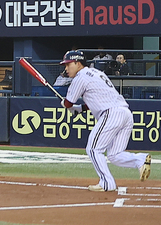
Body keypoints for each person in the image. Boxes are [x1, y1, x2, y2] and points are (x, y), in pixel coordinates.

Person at [57, 50, 150, 192]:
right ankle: (140, 160)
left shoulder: (80, 77)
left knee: (93, 149)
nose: (66, 68)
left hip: (111, 113)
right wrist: (79, 109)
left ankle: (107, 183)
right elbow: (96, 99)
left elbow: (69, 103)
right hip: (125, 113)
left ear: (77, 63)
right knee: (114, 155)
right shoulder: (96, 72)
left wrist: (66, 104)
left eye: (68, 64)